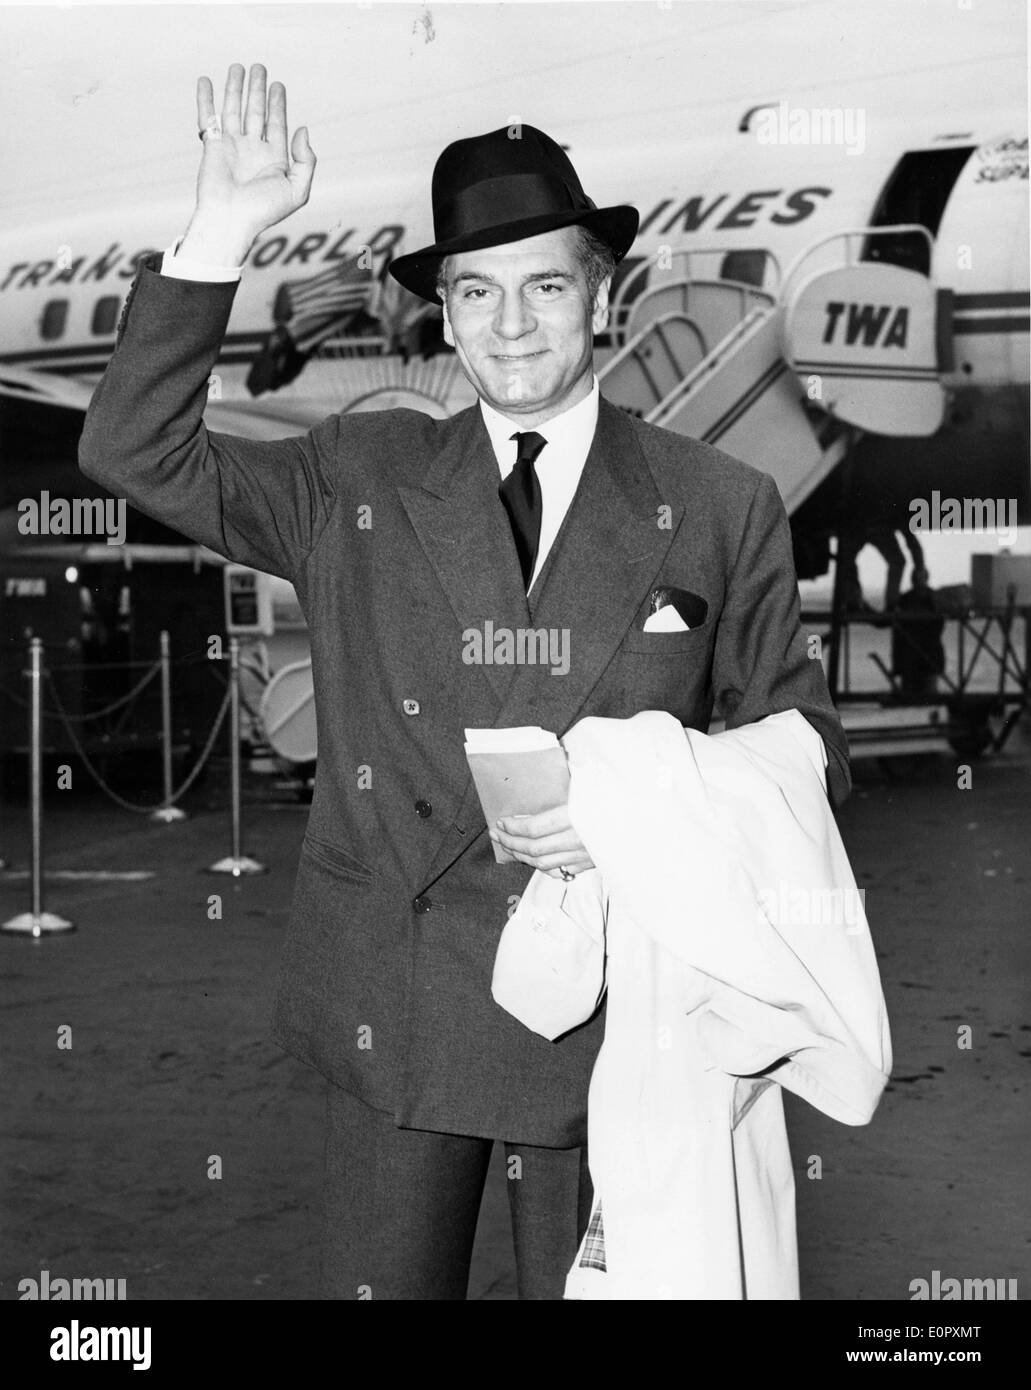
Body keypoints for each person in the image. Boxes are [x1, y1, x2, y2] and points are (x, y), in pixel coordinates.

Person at [78, 63, 850, 1301]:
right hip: (397, 1010)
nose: (510, 324)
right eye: (474, 292)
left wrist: (641, 793)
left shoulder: (718, 503)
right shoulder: (359, 471)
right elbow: (131, 449)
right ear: (441, 312)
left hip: (613, 1024)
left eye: (546, 284)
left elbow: (801, 740)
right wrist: (222, 227)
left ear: (604, 297)